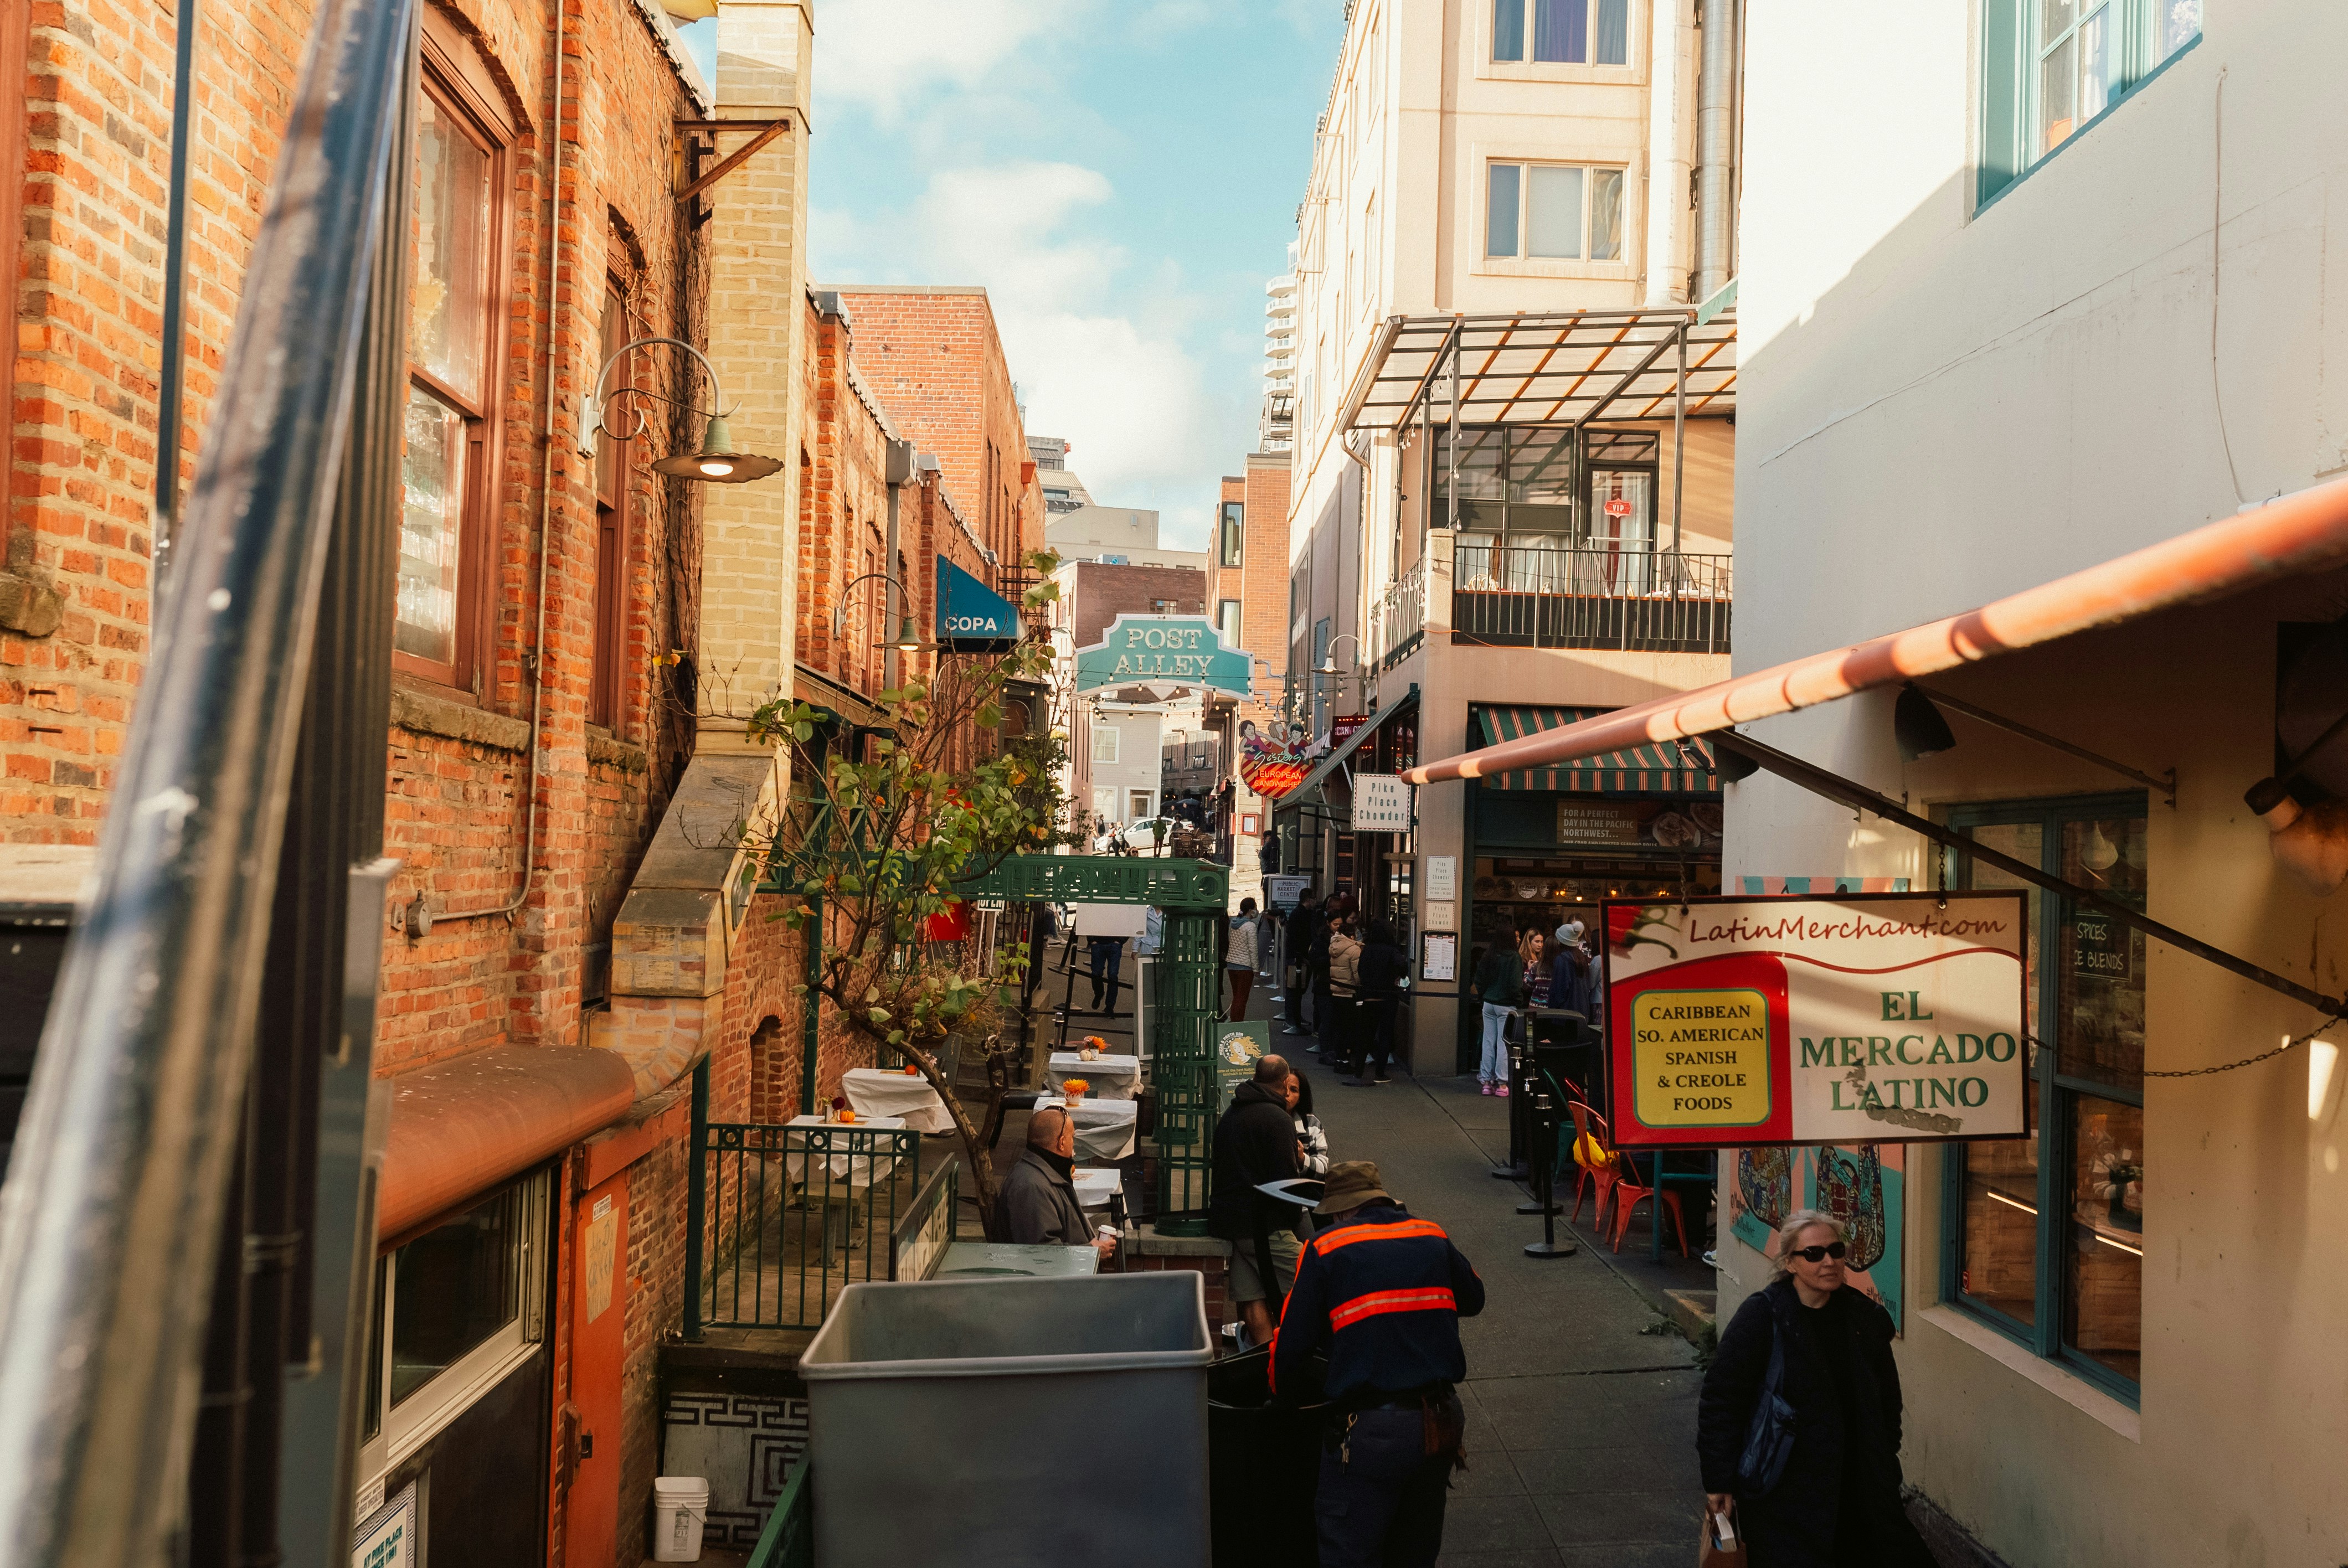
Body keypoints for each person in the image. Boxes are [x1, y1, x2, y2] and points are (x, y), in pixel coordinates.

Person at [1271, 1161, 1484, 1568]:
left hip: (1368, 1432)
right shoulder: (1431, 1234)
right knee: (1415, 1550)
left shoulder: (1327, 1247)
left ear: (1340, 1210)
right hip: (1438, 1423)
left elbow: (1292, 1348)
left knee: (1349, 1548)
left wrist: (1283, 1402)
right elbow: (1474, 1298)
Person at [1696, 1210, 1935, 1568]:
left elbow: (1887, 1401)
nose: (1829, 1261)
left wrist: (1883, 1458)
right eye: (1814, 1254)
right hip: (1783, 1495)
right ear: (1789, 1263)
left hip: (1858, 1493)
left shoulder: (1863, 1320)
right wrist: (1719, 1482)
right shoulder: (1763, 1317)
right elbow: (1722, 1400)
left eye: (1836, 1251)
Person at [1208, 1054, 1307, 1348]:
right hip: (1265, 1227)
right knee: (1312, 1280)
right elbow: (1286, 1182)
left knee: (1253, 1300)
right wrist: (1291, 1223)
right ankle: (1295, 1364)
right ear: (1283, 1084)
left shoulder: (1232, 1114)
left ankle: (1266, 1367)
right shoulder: (1278, 1120)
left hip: (1231, 1224)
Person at [997, 1107, 1118, 1265]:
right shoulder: (1031, 1188)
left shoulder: (1044, 1173)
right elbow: (1042, 1254)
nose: (1074, 1143)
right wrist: (1091, 1252)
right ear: (1061, 1143)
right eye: (1072, 1137)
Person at [1345, 917, 1408, 1086]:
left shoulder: (1367, 949)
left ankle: (1359, 1072)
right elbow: (1402, 966)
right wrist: (1397, 977)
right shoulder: (1392, 950)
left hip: (1369, 995)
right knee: (1385, 1035)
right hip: (1388, 997)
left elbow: (1361, 970)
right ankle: (1380, 1072)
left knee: (1366, 1035)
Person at [1470, 933, 1525, 1096]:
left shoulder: (1489, 955)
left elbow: (1479, 980)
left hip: (1488, 1003)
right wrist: (1519, 1002)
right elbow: (1515, 984)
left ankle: (1486, 1082)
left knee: (1488, 1041)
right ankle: (1502, 1084)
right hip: (1506, 1004)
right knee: (1503, 1043)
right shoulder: (1514, 958)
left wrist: (1483, 997)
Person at [1325, 911, 1363, 1073]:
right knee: (1349, 1030)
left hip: (1336, 993)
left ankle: (1339, 1060)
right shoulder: (1354, 951)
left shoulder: (1334, 946)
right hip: (1349, 994)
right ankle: (1345, 1061)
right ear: (1353, 935)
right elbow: (1357, 976)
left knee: (1339, 1029)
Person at [1282, 891, 1323, 1036]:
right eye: (1314, 899)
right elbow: (1298, 937)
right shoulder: (1300, 914)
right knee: (1295, 988)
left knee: (1298, 988)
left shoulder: (1304, 913)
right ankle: (1293, 1019)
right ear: (1308, 900)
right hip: (1298, 957)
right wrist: (1301, 955)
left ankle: (1295, 1018)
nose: (1315, 902)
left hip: (1300, 955)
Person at [1287, 1069, 1330, 1178]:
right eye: (1283, 1088)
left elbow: (1324, 1169)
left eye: (1294, 1090)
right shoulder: (1260, 1119)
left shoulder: (1311, 1123)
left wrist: (1301, 1158)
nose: (1287, 1094)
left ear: (1300, 1098)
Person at [1226, 898, 1261, 1021]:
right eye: (1255, 908)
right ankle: (1238, 1022)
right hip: (1245, 967)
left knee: (1236, 996)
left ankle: (1234, 1020)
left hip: (1231, 964)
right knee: (1242, 998)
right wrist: (1256, 969)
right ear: (1250, 910)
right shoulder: (1250, 926)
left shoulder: (1234, 923)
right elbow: (1253, 949)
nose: (1257, 910)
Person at [1085, 930, 1125, 1013]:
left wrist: (1121, 940)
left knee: (1113, 975)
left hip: (1114, 943)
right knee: (1096, 973)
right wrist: (1092, 940)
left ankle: (1110, 1006)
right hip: (1098, 943)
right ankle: (1099, 993)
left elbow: (1127, 922)